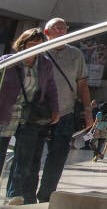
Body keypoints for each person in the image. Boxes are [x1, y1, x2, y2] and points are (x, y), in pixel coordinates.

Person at [31, 18, 92, 204]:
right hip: (38, 112)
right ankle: (25, 195)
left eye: (64, 27)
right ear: (46, 32)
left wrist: (88, 110)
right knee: (32, 155)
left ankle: (46, 196)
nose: (61, 30)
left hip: (65, 112)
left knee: (58, 156)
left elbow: (82, 84)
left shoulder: (76, 54)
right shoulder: (38, 51)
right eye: (56, 27)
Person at [0, 29, 60, 205]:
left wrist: (55, 109)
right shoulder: (8, 61)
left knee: (23, 159)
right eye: (32, 44)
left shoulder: (45, 64)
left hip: (29, 115)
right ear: (23, 44)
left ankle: (14, 195)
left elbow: (51, 87)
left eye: (40, 45)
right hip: (5, 113)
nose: (35, 48)